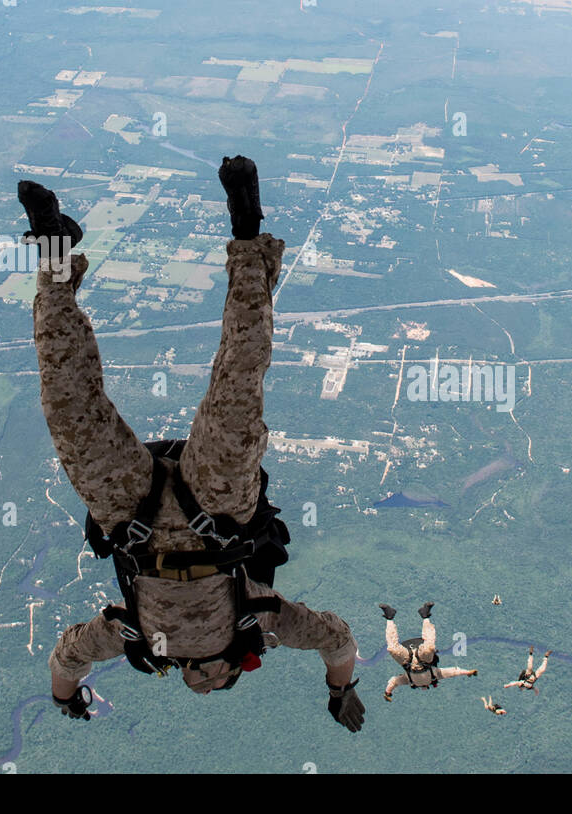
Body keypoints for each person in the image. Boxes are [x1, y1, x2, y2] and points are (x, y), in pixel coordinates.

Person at [22, 157, 364, 732]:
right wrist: (339, 691)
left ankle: (55, 250)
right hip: (220, 511)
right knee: (240, 380)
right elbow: (338, 640)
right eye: (221, 680)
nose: (205, 680)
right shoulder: (260, 620)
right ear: (238, 667)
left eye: (195, 680)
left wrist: (66, 699)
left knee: (67, 404)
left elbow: (67, 659)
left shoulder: (135, 638)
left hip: (130, 515)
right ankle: (247, 234)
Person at [379, 602, 477, 700]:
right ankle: (425, 616)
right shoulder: (436, 674)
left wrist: (388, 692)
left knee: (392, 648)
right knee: (429, 647)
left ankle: (389, 618)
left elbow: (393, 682)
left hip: (406, 660)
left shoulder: (408, 680)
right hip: (424, 660)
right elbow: (453, 671)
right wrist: (468, 672)